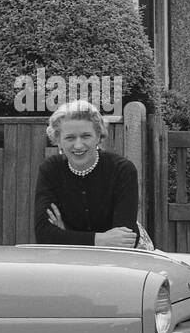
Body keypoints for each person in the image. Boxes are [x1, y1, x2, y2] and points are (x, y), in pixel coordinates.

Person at [34, 99, 144, 247]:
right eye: (70, 137)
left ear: (98, 136)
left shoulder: (122, 170)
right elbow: (44, 235)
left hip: (120, 261)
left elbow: (125, 239)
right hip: (70, 259)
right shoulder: (50, 169)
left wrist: (66, 235)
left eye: (86, 136)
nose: (78, 145)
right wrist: (100, 240)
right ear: (58, 140)